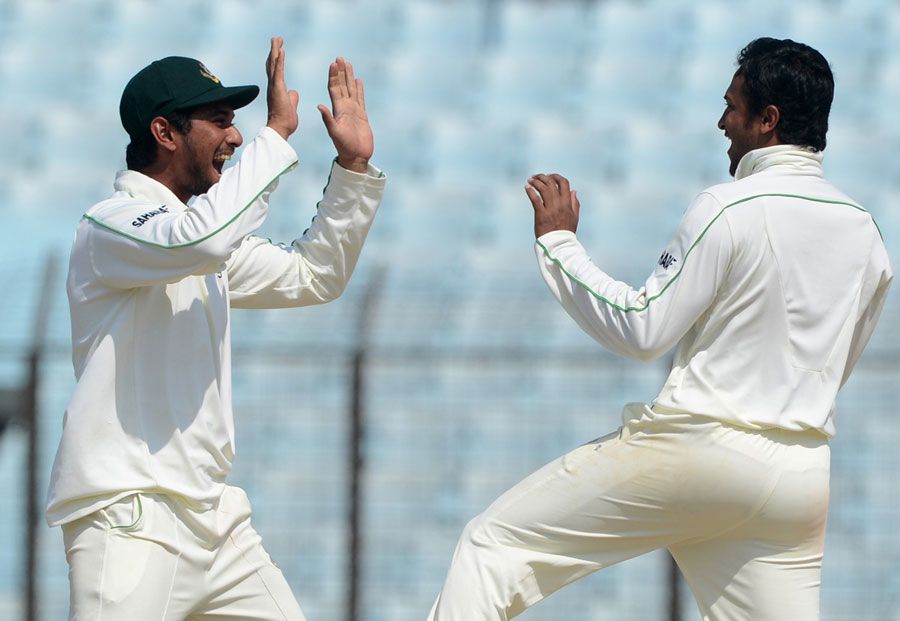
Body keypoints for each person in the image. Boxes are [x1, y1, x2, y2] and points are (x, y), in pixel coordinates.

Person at [428, 37, 892, 621]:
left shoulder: (727, 207)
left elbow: (641, 328)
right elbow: (836, 365)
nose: (722, 122)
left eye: (733, 106)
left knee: (491, 547)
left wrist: (558, 243)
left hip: (702, 452)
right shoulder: (866, 231)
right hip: (798, 476)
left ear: (768, 120)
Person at [46, 38, 385, 620]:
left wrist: (352, 169)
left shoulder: (198, 245)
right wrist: (274, 135)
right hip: (128, 520)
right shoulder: (112, 228)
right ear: (165, 133)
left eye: (239, 123)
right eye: (221, 121)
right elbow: (200, 240)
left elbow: (313, 275)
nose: (234, 136)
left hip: (216, 523)